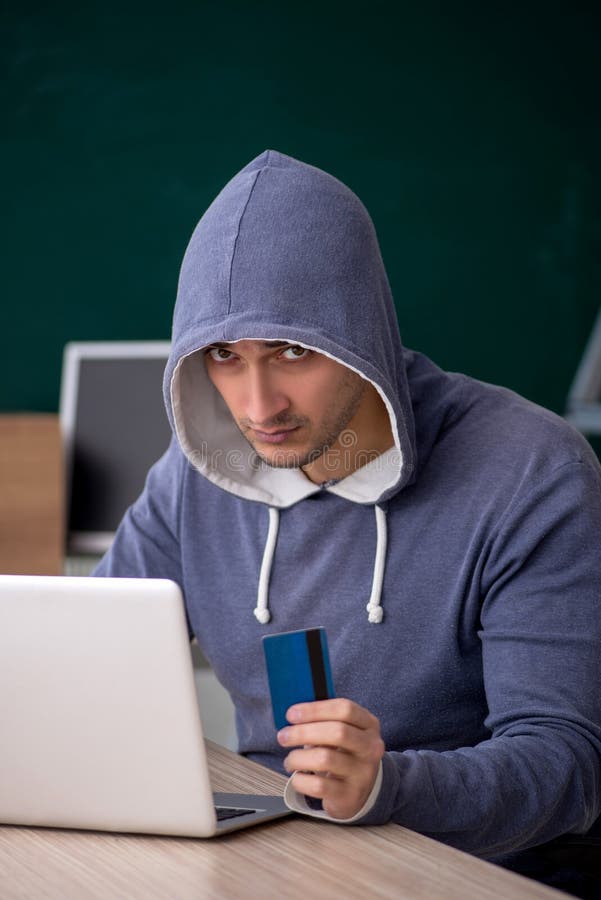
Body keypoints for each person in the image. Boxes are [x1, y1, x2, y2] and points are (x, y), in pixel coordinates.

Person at [95, 150, 601, 890]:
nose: (257, 407)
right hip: (273, 859)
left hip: (479, 871)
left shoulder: (530, 470)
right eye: (225, 356)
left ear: (359, 335)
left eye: (292, 351)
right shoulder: (193, 480)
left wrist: (383, 786)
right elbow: (93, 666)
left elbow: (569, 765)